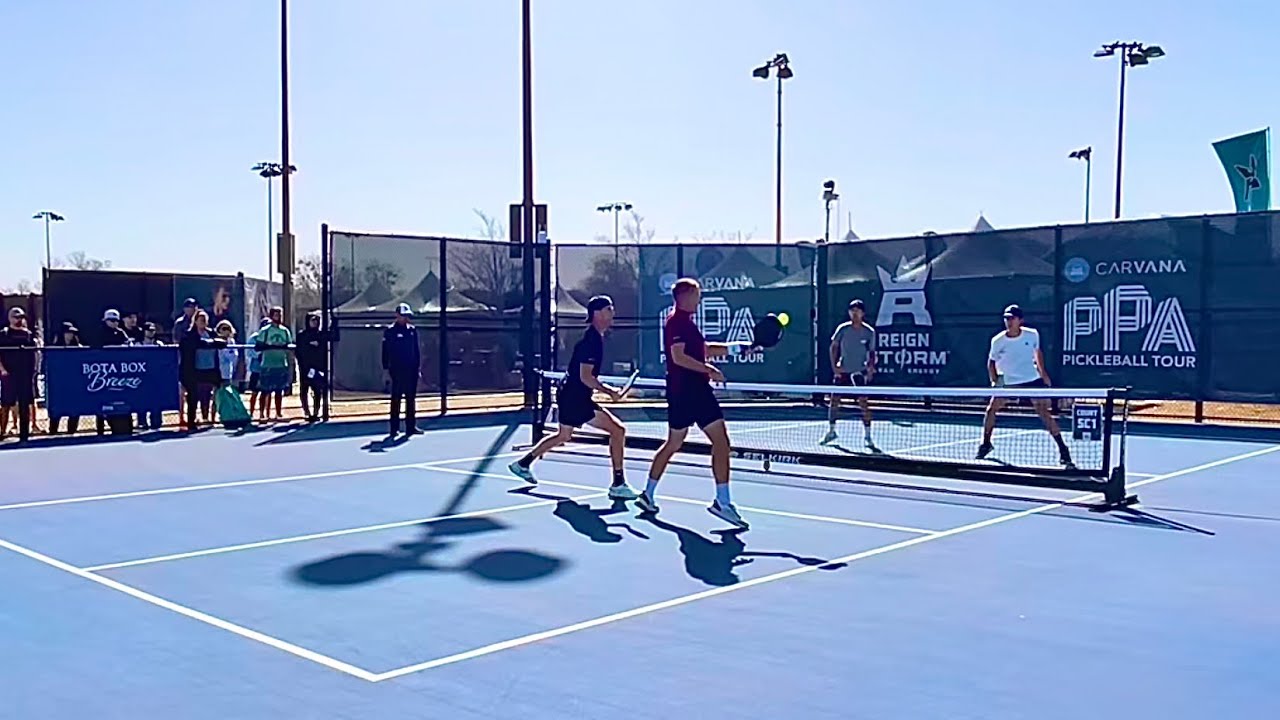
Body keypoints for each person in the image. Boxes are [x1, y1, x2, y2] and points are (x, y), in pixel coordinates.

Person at [637, 278, 748, 529]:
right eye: (697, 295)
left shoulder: (686, 323)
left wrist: (736, 348)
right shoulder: (677, 322)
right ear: (685, 297)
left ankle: (647, 494)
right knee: (721, 442)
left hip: (683, 392)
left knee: (674, 443)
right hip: (692, 391)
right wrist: (709, 370)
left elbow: (703, 349)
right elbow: (678, 357)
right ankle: (722, 502)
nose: (699, 299)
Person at [508, 296, 638, 499]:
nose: (613, 313)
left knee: (564, 435)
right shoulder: (591, 342)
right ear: (597, 314)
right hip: (575, 398)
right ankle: (618, 484)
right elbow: (586, 377)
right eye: (609, 309)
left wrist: (606, 390)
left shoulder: (596, 339)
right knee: (618, 430)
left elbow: (586, 378)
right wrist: (610, 392)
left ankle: (523, 464)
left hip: (569, 394)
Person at [979, 304, 1074, 468]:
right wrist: (995, 382)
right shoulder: (998, 341)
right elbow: (991, 363)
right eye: (1006, 318)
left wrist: (1043, 374)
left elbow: (1037, 353)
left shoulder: (1032, 335)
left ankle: (1063, 449)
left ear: (1020, 320)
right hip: (1009, 381)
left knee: (1043, 412)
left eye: (1012, 318)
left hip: (1031, 379)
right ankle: (986, 443)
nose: (1008, 321)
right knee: (991, 410)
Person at [822, 299, 877, 447]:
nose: (854, 313)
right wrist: (835, 368)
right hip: (843, 372)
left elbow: (872, 353)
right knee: (834, 401)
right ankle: (831, 431)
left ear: (863, 313)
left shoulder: (869, 332)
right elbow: (833, 347)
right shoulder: (843, 329)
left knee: (863, 403)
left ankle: (868, 436)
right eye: (852, 311)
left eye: (857, 311)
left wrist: (870, 368)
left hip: (858, 373)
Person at [178, 310, 225, 431]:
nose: (203, 322)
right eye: (201, 320)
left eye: (205, 320)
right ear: (195, 321)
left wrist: (214, 342)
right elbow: (197, 343)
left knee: (210, 395)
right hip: (194, 370)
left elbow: (222, 342)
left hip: (210, 369)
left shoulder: (211, 333)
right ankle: (191, 422)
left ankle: (209, 418)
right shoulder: (189, 335)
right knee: (193, 397)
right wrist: (212, 343)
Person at [0, 307, 40, 443]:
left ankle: (24, 434)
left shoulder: (28, 335)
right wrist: (2, 369)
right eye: (16, 317)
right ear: (10, 318)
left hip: (25, 375)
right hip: (8, 374)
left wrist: (34, 370)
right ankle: (2, 432)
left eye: (21, 317)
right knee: (5, 404)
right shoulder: (4, 334)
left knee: (25, 404)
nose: (19, 320)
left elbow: (34, 354)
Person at [382, 303, 421, 436]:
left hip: (411, 371)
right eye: (402, 315)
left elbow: (416, 351)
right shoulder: (390, 331)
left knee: (411, 399)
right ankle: (394, 429)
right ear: (397, 315)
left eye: (406, 316)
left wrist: (417, 369)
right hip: (396, 371)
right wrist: (386, 370)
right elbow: (385, 352)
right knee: (396, 400)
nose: (405, 318)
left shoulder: (412, 330)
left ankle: (411, 427)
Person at [255, 306, 293, 422]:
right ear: (271, 316)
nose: (279, 317)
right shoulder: (265, 331)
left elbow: (289, 346)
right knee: (265, 390)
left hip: (281, 364)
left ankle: (278, 413)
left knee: (279, 391)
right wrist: (269, 346)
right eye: (276, 315)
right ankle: (262, 414)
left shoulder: (285, 331)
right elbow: (258, 346)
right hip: (267, 365)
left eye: (280, 315)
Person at [294, 311, 334, 422]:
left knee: (317, 390)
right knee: (304, 390)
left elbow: (334, 337)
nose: (314, 323)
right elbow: (299, 351)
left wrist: (334, 322)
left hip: (318, 367)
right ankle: (307, 412)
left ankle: (316, 413)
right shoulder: (302, 335)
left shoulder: (321, 335)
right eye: (312, 320)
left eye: (316, 320)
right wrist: (302, 364)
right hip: (305, 367)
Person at [48, 322, 83, 435]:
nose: (70, 335)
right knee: (57, 407)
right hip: (59, 383)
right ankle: (53, 431)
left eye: (72, 333)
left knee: (75, 407)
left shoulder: (78, 347)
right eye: (68, 332)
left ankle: (71, 431)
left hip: (74, 382)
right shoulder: (55, 348)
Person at [173, 298, 198, 429]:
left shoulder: (199, 321)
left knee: (194, 392)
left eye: (193, 307)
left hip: (197, 361)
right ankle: (181, 417)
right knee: (182, 391)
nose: (191, 309)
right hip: (183, 360)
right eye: (188, 307)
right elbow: (176, 340)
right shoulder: (179, 323)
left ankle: (192, 419)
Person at [137, 322, 166, 430]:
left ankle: (156, 422)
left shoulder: (159, 344)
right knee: (142, 401)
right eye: (149, 330)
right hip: (142, 378)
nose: (151, 332)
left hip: (156, 378)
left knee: (156, 400)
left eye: (153, 330)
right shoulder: (138, 345)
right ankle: (142, 422)